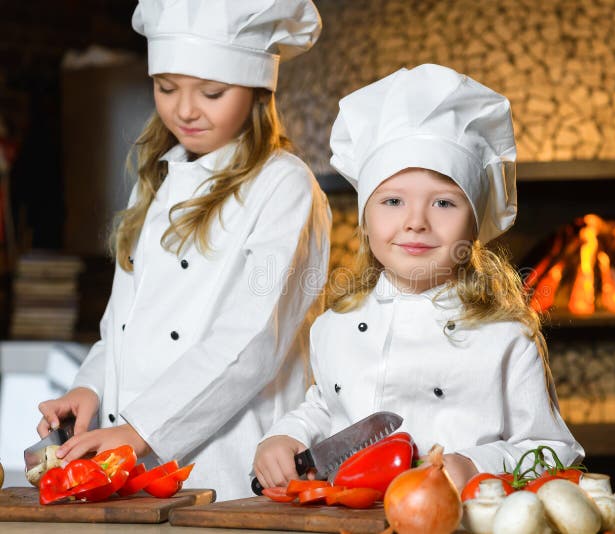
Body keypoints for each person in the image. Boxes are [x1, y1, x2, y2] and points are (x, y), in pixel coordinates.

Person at [35, 0, 331, 501]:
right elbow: (119, 329)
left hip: (225, 466)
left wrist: (142, 430)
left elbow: (251, 338)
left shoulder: (284, 186)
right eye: (166, 87)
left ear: (259, 89)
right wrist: (89, 389)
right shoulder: (155, 182)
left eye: (212, 92)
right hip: (127, 455)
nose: (185, 109)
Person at [253, 63, 583, 492]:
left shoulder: (505, 338)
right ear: (366, 220)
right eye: (392, 200)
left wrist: (474, 465)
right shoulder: (333, 326)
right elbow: (326, 404)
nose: (415, 223)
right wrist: (285, 435)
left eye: (444, 203)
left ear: (474, 226)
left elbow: (554, 449)